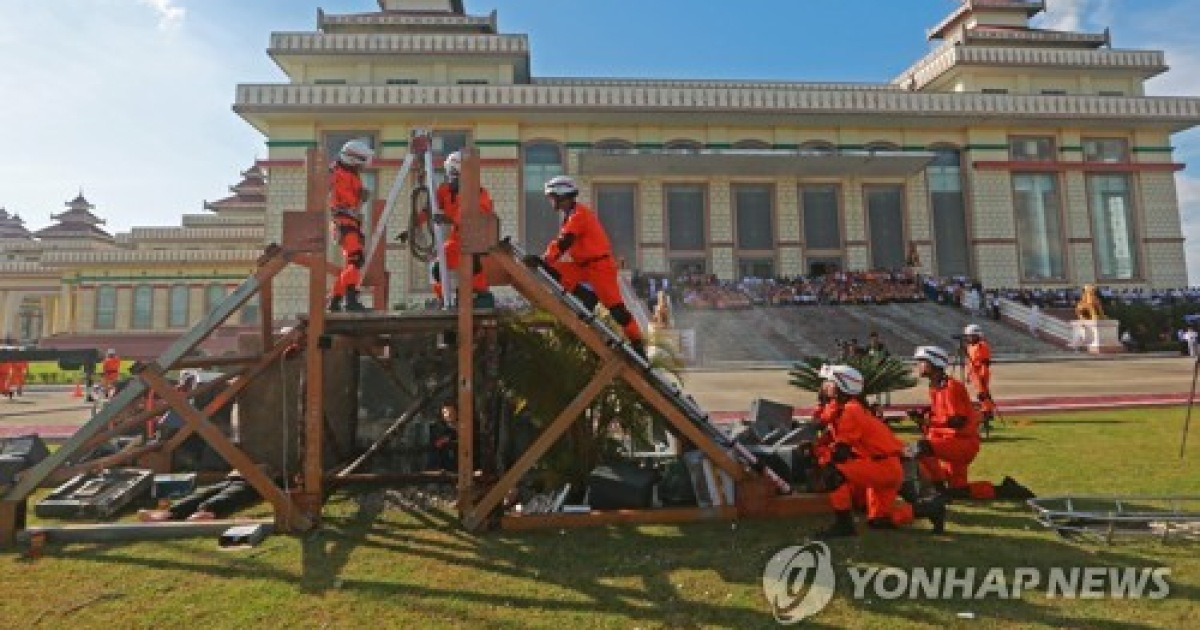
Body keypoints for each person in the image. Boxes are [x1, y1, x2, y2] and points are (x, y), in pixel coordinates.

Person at [812, 364, 945, 537]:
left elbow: (841, 454)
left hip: (883, 467)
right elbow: (822, 419)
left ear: (841, 386)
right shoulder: (845, 406)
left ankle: (844, 525)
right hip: (884, 465)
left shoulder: (851, 411)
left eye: (829, 382)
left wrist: (818, 453)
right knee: (878, 521)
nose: (824, 385)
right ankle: (930, 509)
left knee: (833, 473)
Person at [523, 175, 646, 356]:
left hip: (600, 268)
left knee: (618, 312)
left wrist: (544, 259)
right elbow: (561, 242)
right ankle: (587, 296)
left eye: (552, 197)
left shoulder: (579, 215)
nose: (551, 201)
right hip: (583, 267)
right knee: (550, 271)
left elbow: (564, 242)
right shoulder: (571, 215)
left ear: (562, 195)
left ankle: (637, 345)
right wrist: (544, 261)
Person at [428, 151, 495, 304]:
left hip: (475, 238)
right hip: (456, 239)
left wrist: (449, 218)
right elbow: (431, 207)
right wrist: (414, 225)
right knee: (437, 266)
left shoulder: (478, 192)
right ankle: (443, 298)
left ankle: (479, 295)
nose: (451, 178)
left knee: (474, 265)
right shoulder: (446, 191)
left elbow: (478, 214)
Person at [328, 138, 375, 312]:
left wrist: (361, 196)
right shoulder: (335, 172)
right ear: (353, 159)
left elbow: (351, 199)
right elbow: (327, 192)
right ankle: (350, 300)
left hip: (351, 221)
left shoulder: (352, 174)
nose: (363, 166)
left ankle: (336, 300)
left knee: (352, 261)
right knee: (354, 258)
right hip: (343, 221)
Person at [138, 467, 271, 522]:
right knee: (205, 493)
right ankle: (171, 513)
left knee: (234, 493)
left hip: (264, 479)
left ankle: (209, 511)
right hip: (239, 475)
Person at [962, 324, 997, 424]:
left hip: (981, 371)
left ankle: (987, 411)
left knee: (982, 393)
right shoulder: (969, 347)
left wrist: (983, 373)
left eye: (971, 336)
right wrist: (968, 374)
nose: (969, 338)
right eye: (968, 336)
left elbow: (985, 362)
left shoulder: (982, 345)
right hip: (973, 372)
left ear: (977, 335)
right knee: (980, 393)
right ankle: (986, 409)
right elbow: (969, 362)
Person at [428, 401, 458, 472]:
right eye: (445, 413)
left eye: (451, 413)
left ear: (456, 413)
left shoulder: (465, 428)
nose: (447, 415)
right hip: (443, 468)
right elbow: (436, 445)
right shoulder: (437, 429)